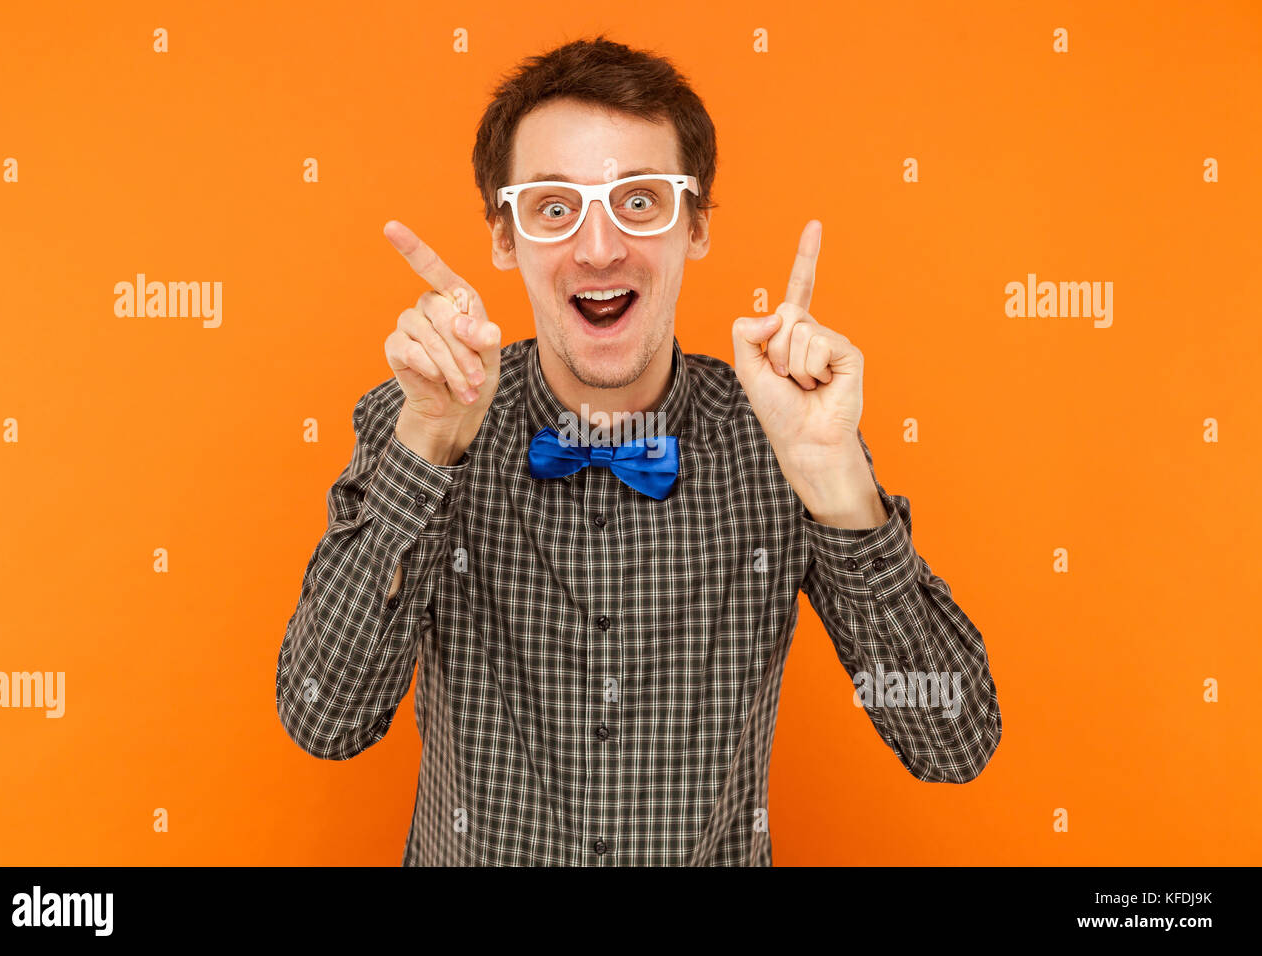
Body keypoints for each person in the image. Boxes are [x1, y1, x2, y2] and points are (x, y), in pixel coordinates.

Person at [275, 34, 1001, 866]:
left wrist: (840, 491)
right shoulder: (420, 419)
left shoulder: (784, 435)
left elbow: (956, 742)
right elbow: (326, 718)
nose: (598, 248)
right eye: (554, 207)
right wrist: (428, 448)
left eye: (641, 202)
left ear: (696, 225)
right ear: (504, 238)